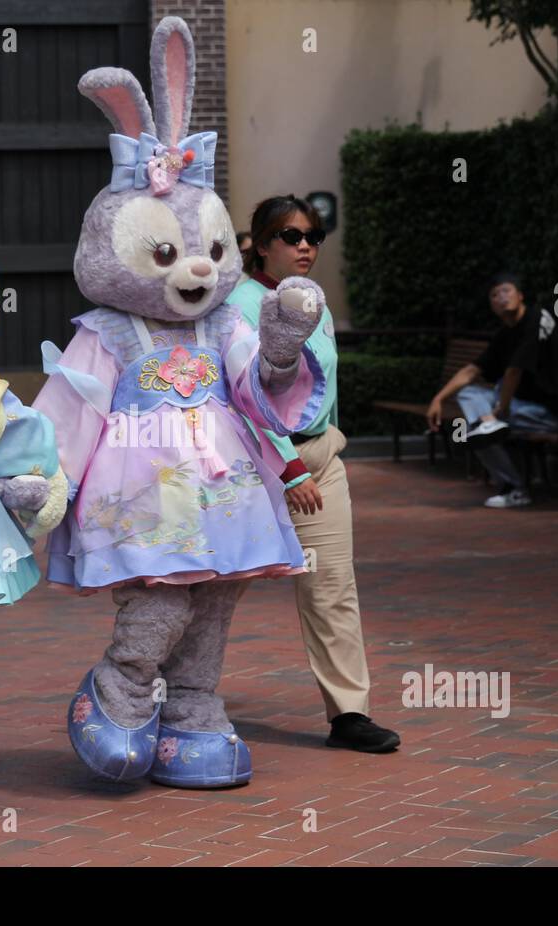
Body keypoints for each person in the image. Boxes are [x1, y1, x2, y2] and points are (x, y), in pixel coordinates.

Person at [227, 194, 400, 754]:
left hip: (320, 461)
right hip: (261, 466)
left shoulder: (315, 304)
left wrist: (321, 450)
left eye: (313, 236)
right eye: (290, 235)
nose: (305, 245)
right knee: (212, 588)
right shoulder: (239, 305)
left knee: (332, 590)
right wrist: (290, 465)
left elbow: (318, 390)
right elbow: (245, 393)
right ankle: (170, 697)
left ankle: (350, 713)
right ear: (260, 243)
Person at [425, 274, 558, 508]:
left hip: (549, 413)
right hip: (519, 406)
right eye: (495, 295)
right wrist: (438, 399)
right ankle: (490, 430)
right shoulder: (505, 334)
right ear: (491, 305)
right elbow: (471, 371)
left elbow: (514, 372)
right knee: (470, 398)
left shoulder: (537, 319)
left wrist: (500, 410)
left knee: (478, 428)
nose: (502, 297)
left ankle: (513, 488)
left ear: (520, 295)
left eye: (507, 291)